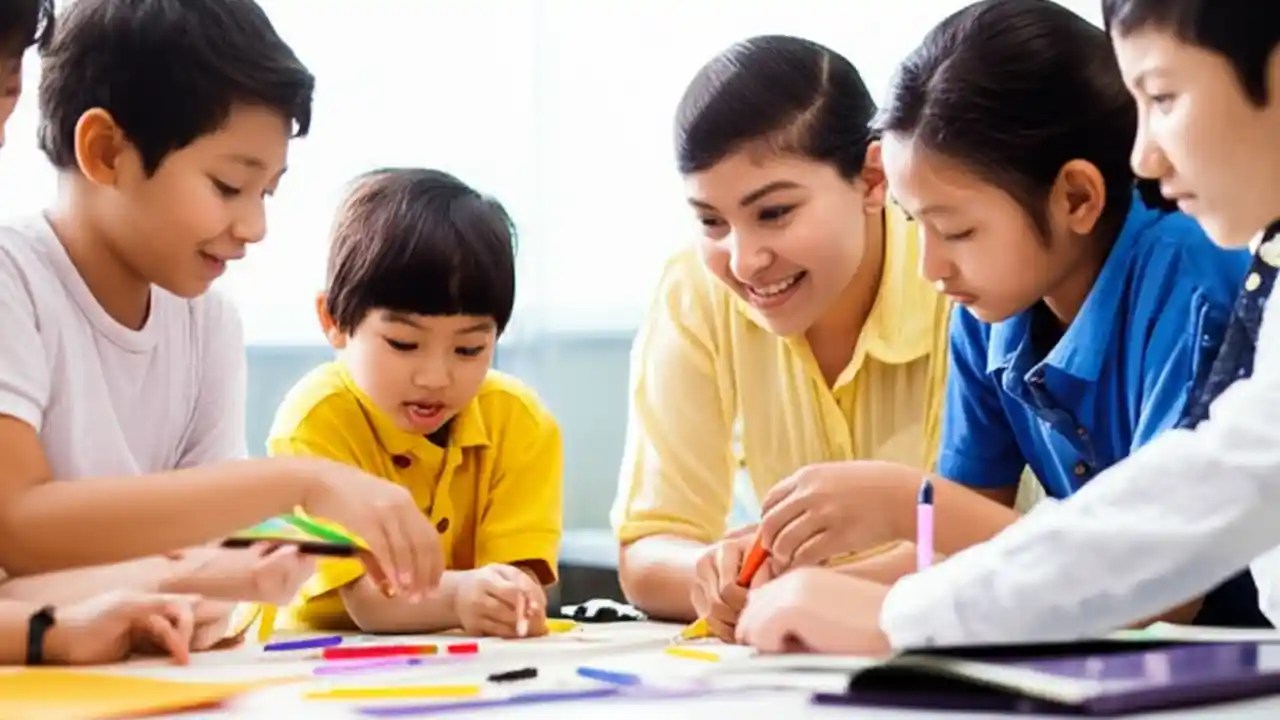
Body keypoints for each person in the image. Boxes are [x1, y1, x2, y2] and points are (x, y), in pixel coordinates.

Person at [736, 0, 1280, 653]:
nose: (1142, 158)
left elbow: (1185, 525)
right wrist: (810, 591)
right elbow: (970, 543)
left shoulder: (1192, 274)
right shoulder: (991, 303)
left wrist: (905, 526)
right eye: (917, 226)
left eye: (1162, 97)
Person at [0, 0, 444, 650]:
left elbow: (200, 545)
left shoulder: (207, 321)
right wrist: (305, 483)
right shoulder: (15, 282)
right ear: (106, 152)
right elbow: (19, 528)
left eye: (266, 193)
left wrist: (294, 552)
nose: (254, 227)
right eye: (228, 186)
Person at [611, 34, 953, 637]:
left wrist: (815, 592)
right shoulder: (694, 289)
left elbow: (992, 536)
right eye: (711, 221)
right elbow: (646, 550)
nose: (743, 261)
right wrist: (710, 572)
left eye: (774, 213)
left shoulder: (959, 273)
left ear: (874, 179)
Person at [267, 169, 562, 638]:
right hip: (316, 664)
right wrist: (465, 596)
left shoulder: (519, 422)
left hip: (463, 669)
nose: (435, 378)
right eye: (403, 343)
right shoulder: (316, 421)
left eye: (468, 350)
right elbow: (369, 603)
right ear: (334, 320)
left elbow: (519, 582)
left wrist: (510, 598)